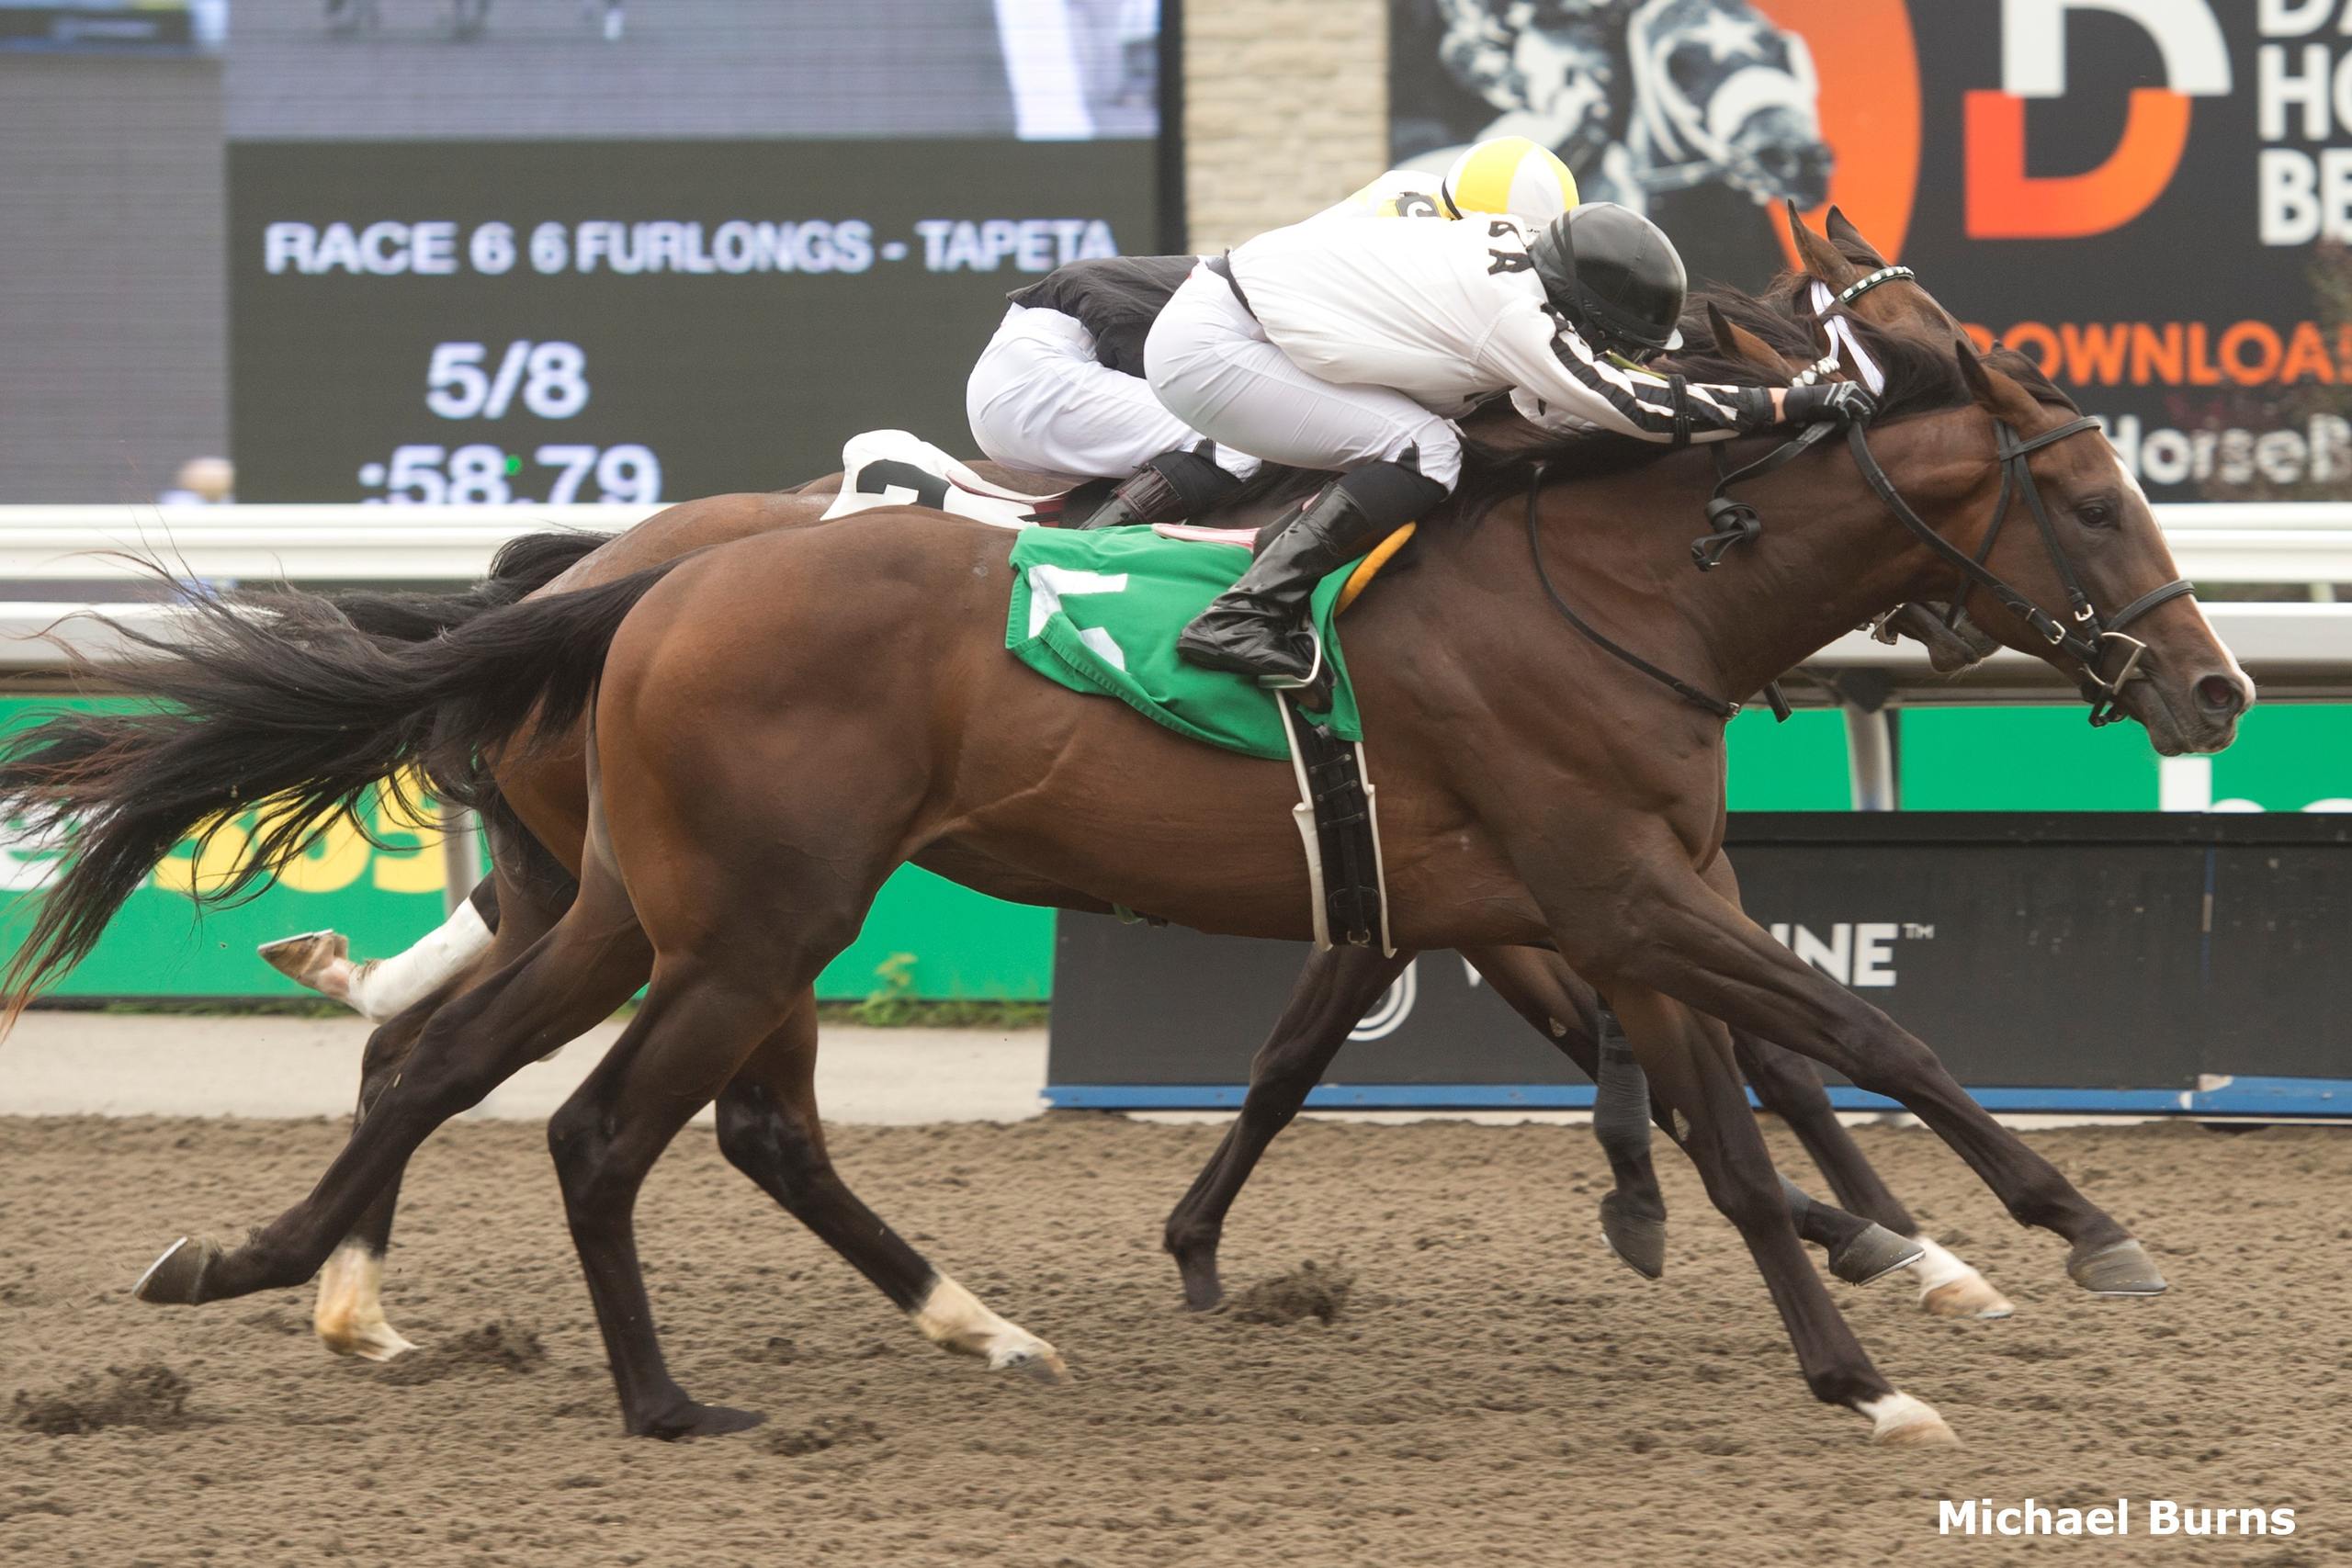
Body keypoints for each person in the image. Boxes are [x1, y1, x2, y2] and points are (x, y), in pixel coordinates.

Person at [1145, 201, 1872, 682]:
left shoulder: (1531, 257)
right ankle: (1243, 615)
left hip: (1240, 323)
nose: (1601, 351)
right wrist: (1789, 402)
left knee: (1429, 438)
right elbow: (1632, 406)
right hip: (1217, 348)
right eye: (1604, 338)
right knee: (1425, 452)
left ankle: (1278, 574)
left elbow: (1561, 403)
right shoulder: (1513, 315)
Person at [964, 137, 1580, 531]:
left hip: (1060, 353)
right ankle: (1070, 564)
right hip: (1047, 366)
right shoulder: (1422, 252)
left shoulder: (1407, 211)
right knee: (1247, 438)